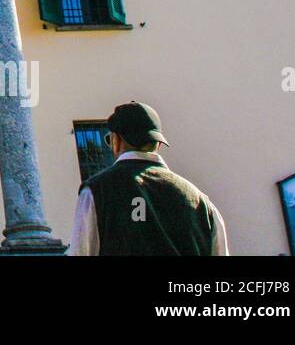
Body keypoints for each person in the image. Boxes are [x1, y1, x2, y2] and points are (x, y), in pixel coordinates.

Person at [67, 101, 228, 255]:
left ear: (116, 140)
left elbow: (80, 252)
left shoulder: (97, 192)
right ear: (158, 144)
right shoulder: (201, 203)